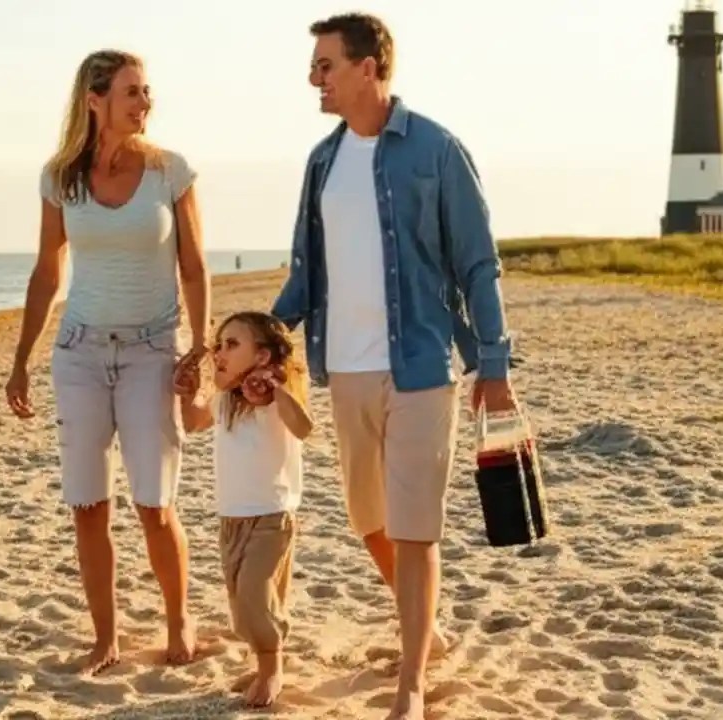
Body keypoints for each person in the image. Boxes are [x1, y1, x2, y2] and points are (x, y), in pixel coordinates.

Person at [270, 13, 518, 720]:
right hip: (342, 369)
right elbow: (304, 274)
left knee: (414, 526)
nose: (314, 78)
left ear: (369, 66)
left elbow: (477, 265)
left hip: (419, 367)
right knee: (367, 518)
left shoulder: (437, 150)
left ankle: (412, 678)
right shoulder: (321, 161)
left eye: (325, 64)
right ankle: (427, 630)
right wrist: (260, 337)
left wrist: (493, 362)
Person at [3, 49, 211, 675]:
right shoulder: (59, 176)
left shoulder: (171, 171)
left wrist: (198, 349)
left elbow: (195, 268)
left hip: (153, 350)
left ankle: (179, 619)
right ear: (94, 99)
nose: (145, 104)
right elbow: (47, 272)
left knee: (155, 503)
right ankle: (106, 638)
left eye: (147, 92)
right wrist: (21, 359)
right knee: (89, 505)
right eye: (132, 93)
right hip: (80, 354)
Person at [174, 311, 311, 708]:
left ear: (264, 357)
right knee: (242, 606)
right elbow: (193, 422)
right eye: (218, 345)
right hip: (231, 517)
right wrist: (187, 394)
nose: (219, 352)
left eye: (232, 344)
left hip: (272, 514)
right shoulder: (224, 402)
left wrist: (277, 390)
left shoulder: (277, 402)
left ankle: (272, 667)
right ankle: (265, 655)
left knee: (254, 593)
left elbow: (303, 428)